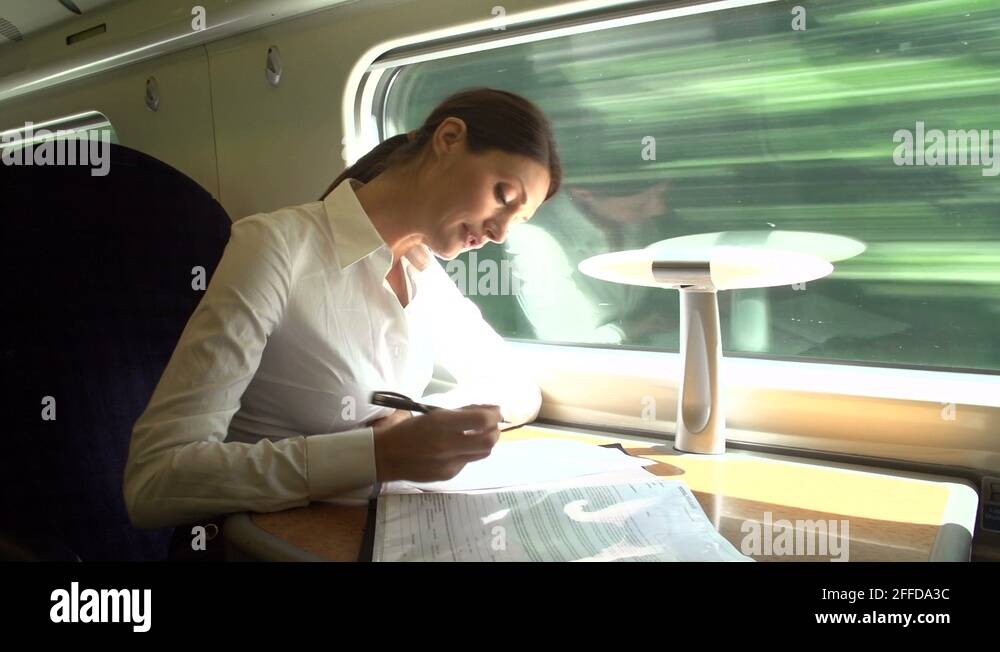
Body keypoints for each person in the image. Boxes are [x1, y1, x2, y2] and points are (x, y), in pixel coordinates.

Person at [123, 87, 562, 530]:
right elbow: (155, 481)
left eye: (519, 222)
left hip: (376, 530)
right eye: (504, 197)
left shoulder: (422, 270)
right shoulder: (275, 248)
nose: (501, 233)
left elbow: (518, 392)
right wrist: (376, 455)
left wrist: (421, 424)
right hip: (271, 541)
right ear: (448, 139)